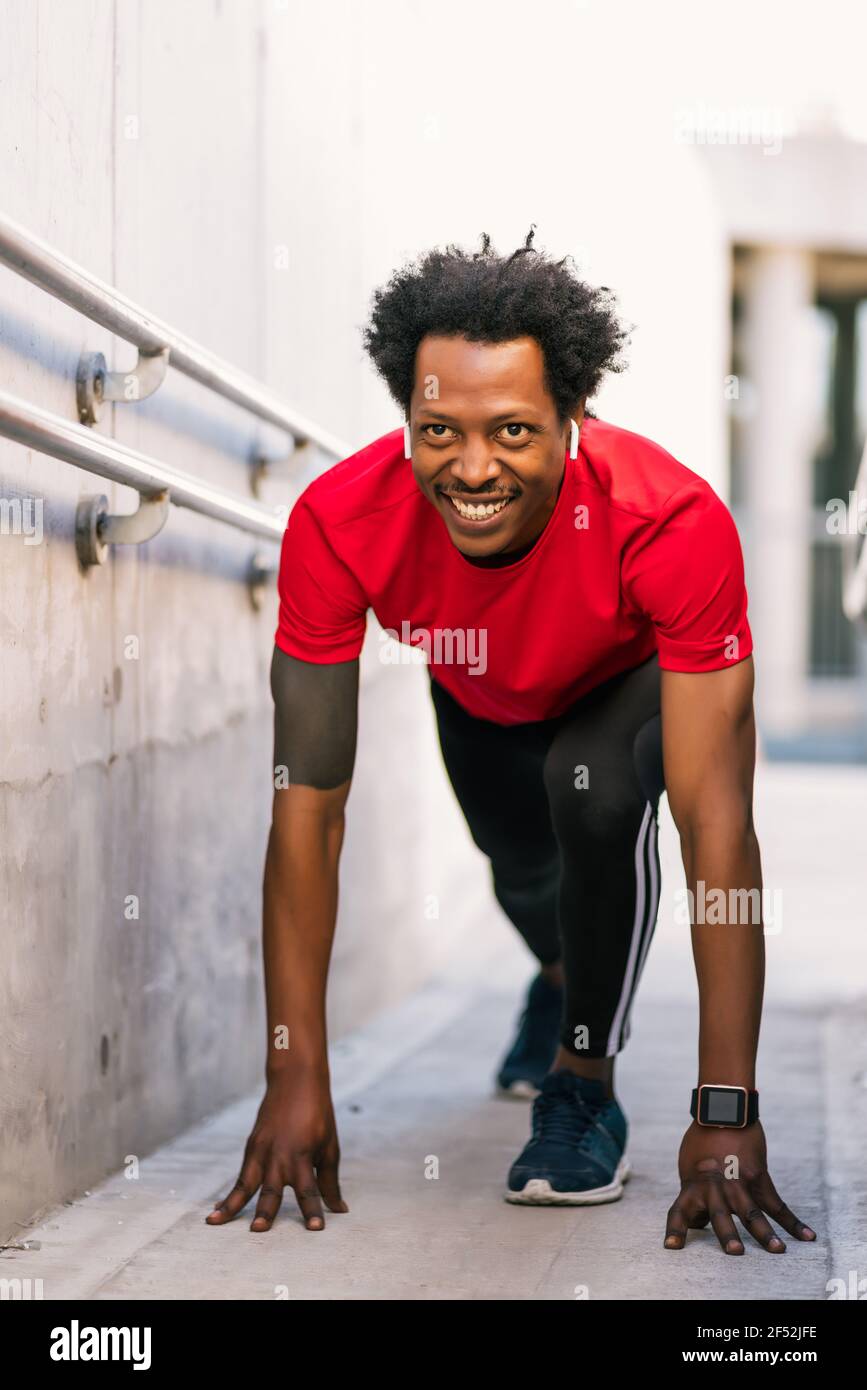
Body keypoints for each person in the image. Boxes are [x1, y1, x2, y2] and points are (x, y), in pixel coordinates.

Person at [206, 229, 817, 1256]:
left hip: (620, 689)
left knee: (592, 795)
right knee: (522, 871)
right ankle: (557, 984)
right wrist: (296, 1073)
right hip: (478, 691)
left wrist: (725, 1107)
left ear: (575, 422)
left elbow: (718, 827)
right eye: (439, 428)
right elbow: (306, 807)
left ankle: (582, 1088)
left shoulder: (667, 522)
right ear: (407, 418)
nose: (473, 466)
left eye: (515, 432)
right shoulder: (339, 522)